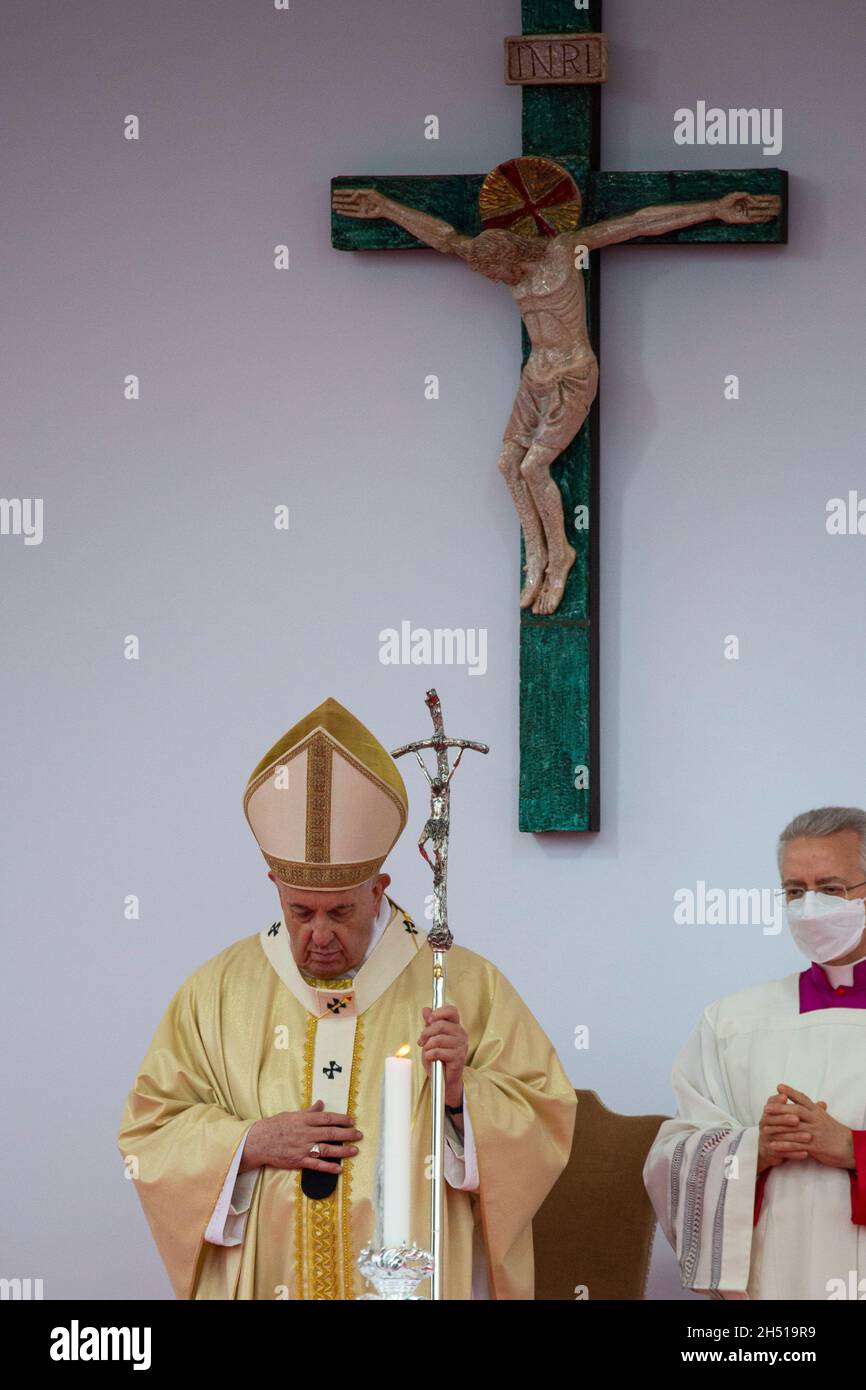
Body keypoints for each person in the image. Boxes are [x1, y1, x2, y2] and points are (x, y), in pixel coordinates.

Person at [117, 697, 576, 1300]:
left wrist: (464, 1098)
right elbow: (151, 1132)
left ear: (379, 887)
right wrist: (247, 1143)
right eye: (299, 912)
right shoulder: (217, 992)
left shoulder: (461, 984)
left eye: (341, 911)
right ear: (275, 888)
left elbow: (543, 1117)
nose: (320, 934)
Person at [333, 168, 779, 615]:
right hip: (535, 375)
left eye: (498, 273)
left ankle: (560, 556)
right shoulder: (499, 263)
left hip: (572, 375)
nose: (496, 281)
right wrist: (386, 206)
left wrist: (714, 208)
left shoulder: (562, 252)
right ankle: (537, 556)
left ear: (511, 255)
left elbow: (638, 222)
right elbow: (448, 238)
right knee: (507, 463)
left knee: (533, 467)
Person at [643, 806, 866, 1299]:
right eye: (794, 891)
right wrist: (749, 1151)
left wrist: (854, 1150)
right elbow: (669, 1161)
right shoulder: (732, 1021)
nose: (809, 907)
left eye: (830, 889)